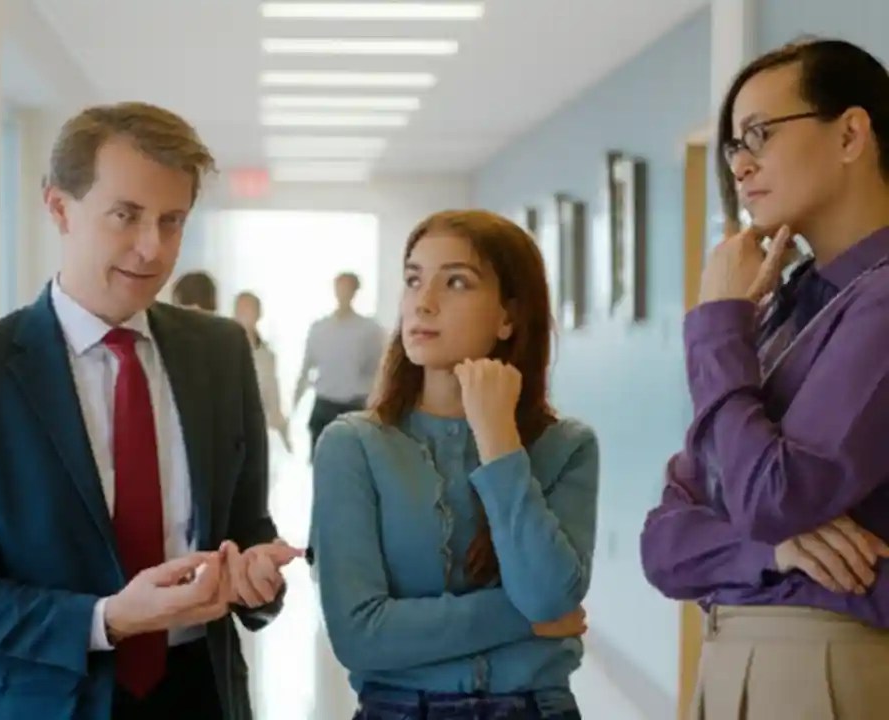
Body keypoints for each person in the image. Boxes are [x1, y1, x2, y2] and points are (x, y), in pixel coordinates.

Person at [0, 101, 303, 720]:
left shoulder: (221, 352)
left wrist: (257, 578)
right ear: (59, 207)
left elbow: (246, 528)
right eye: (126, 215)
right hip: (42, 702)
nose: (152, 248)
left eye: (172, 221)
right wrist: (109, 619)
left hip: (198, 696)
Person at [640, 38, 889, 719]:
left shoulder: (879, 299)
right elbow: (665, 543)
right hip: (733, 656)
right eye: (732, 147)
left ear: (850, 134)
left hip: (830, 664)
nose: (741, 165)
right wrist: (771, 547)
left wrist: (718, 323)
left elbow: (778, 496)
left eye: (760, 135)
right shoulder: (787, 303)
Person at [311, 210, 599, 720]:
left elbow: (547, 595)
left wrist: (499, 440)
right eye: (413, 280)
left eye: (457, 282)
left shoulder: (568, 446)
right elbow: (360, 636)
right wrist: (528, 621)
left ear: (508, 316)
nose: (423, 302)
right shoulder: (352, 445)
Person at [294, 272, 384, 456]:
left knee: (353, 461)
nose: (343, 292)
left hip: (355, 405)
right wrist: (295, 403)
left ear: (355, 291)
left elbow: (378, 370)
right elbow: (306, 367)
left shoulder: (369, 330)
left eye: (348, 288)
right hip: (324, 404)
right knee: (321, 459)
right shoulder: (320, 328)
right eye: (340, 287)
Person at [233, 291, 291, 453]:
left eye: (248, 309)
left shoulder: (267, 356)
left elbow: (272, 394)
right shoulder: (221, 348)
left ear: (258, 314)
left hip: (256, 429)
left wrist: (284, 435)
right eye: (239, 309)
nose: (243, 315)